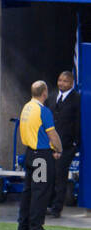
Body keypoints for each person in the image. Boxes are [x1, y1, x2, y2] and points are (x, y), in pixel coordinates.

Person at [17, 80, 61, 230]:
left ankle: (23, 226)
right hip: (41, 156)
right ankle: (36, 227)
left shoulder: (26, 107)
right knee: (40, 191)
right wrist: (58, 149)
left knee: (28, 191)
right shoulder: (43, 111)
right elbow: (52, 134)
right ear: (45, 93)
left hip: (29, 154)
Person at [48, 71, 79, 219]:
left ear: (71, 83)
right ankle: (48, 205)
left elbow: (78, 123)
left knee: (60, 177)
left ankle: (56, 209)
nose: (61, 83)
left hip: (66, 146)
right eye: (60, 80)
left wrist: (75, 142)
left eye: (65, 81)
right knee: (50, 175)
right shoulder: (53, 96)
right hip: (50, 145)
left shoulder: (76, 99)